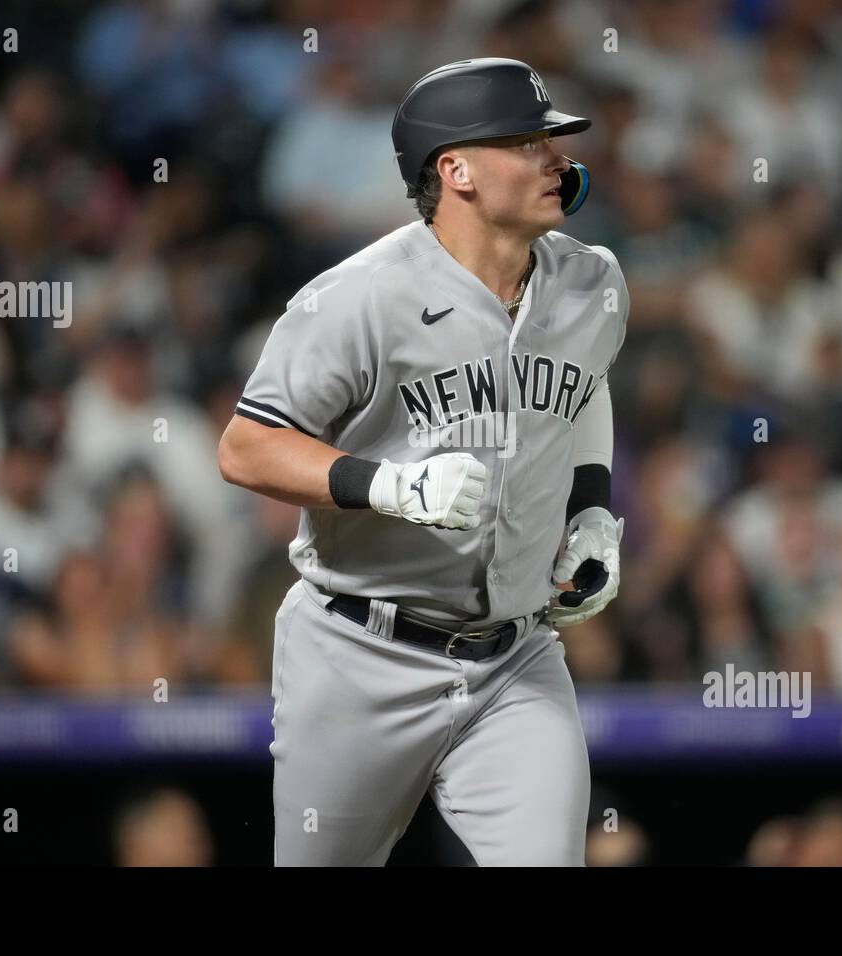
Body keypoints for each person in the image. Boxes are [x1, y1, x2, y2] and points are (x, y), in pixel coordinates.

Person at [218, 58, 628, 866]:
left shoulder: (593, 282)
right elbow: (246, 446)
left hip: (516, 658)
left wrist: (591, 513)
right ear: (457, 169)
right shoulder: (359, 296)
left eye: (554, 141)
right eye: (527, 141)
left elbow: (583, 386)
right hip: (356, 655)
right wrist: (387, 485)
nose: (557, 158)